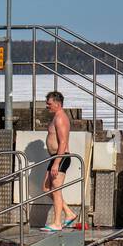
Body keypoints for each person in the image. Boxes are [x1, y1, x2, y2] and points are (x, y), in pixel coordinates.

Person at [42, 91, 78, 231]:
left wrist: (57, 163)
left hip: (61, 157)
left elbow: (63, 142)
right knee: (46, 188)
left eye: (49, 104)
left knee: (56, 190)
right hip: (55, 157)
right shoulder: (56, 117)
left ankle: (57, 223)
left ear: (57, 104)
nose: (47, 106)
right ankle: (69, 213)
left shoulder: (61, 118)